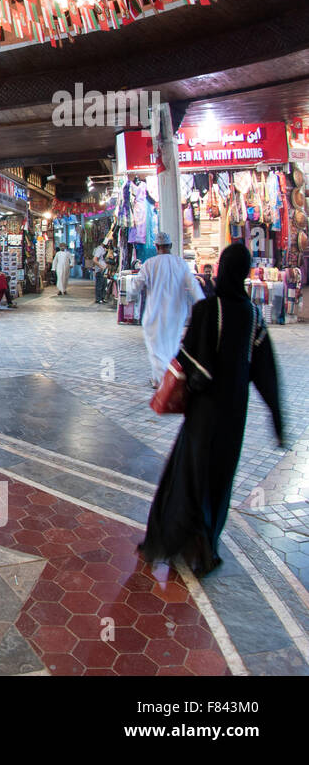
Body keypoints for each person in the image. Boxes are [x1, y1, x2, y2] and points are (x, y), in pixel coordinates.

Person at [138, 244, 285, 577]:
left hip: (205, 413)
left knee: (190, 474)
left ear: (221, 269)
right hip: (235, 414)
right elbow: (266, 372)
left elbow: (195, 368)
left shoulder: (209, 310)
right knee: (219, 478)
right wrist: (277, 420)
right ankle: (205, 545)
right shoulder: (253, 315)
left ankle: (177, 538)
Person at [138, 231, 205, 388]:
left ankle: (162, 380)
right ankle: (162, 378)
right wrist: (203, 306)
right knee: (172, 346)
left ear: (156, 247)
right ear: (171, 246)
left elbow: (136, 285)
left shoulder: (149, 264)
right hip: (176, 314)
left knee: (156, 348)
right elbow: (194, 287)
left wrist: (131, 295)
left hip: (154, 314)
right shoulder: (181, 263)